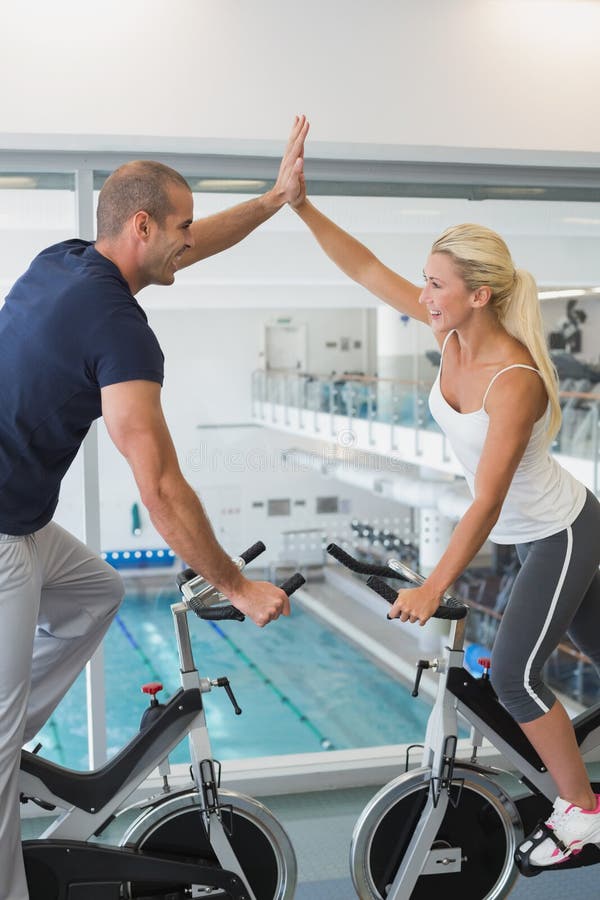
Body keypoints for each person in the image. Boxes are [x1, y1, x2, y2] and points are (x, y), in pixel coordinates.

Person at [0, 115, 309, 900]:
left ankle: (11, 740)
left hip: (21, 516)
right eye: (180, 227)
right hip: (1, 532)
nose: (189, 241)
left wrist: (275, 199)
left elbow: (192, 246)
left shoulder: (65, 261)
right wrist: (236, 585)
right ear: (141, 227)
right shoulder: (121, 328)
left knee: (96, 591)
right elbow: (161, 485)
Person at [289, 178, 600, 867]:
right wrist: (302, 205)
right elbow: (365, 267)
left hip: (562, 530)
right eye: (426, 281)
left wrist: (435, 585)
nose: (424, 295)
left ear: (479, 295)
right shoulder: (445, 327)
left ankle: (583, 813)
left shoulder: (513, 380)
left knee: (515, 677)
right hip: (528, 536)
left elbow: (486, 500)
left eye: (436, 284)